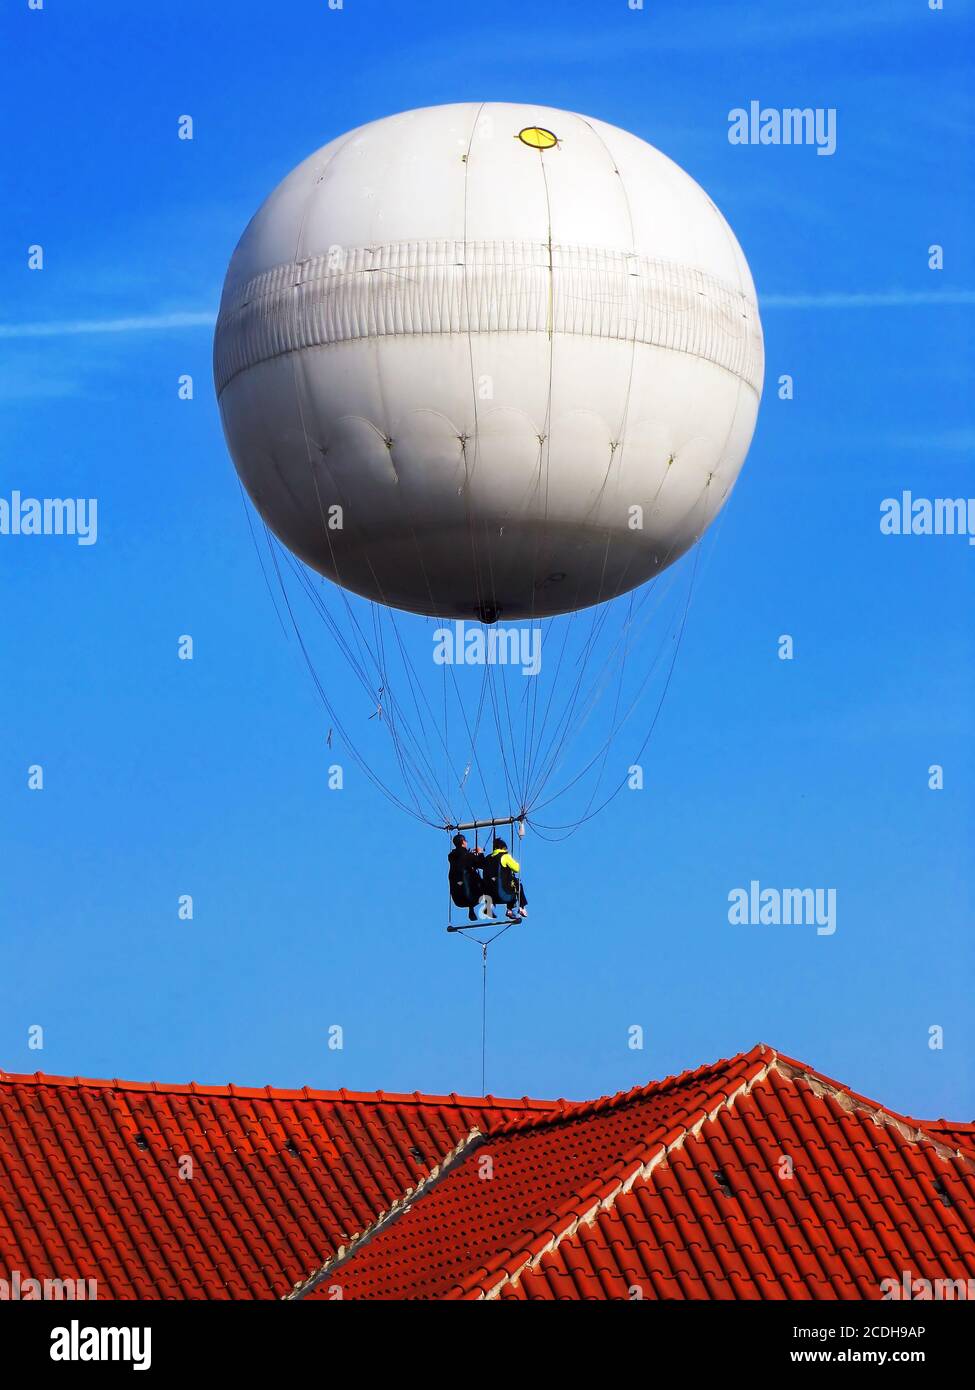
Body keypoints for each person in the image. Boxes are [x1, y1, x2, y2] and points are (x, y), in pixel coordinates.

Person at [481, 838, 528, 921]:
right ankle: (520, 908)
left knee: (495, 882)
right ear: (503, 848)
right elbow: (517, 868)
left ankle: (489, 907)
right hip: (503, 895)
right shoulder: (505, 856)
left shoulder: (487, 858)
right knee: (516, 884)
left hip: (490, 897)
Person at [447, 833, 491, 922]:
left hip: (457, 898)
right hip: (473, 896)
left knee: (466, 880)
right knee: (487, 882)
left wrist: (471, 855)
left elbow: (462, 861)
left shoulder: (452, 858)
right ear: (463, 842)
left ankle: (471, 909)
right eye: (465, 841)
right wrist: (480, 853)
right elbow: (483, 865)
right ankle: (488, 907)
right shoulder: (468, 856)